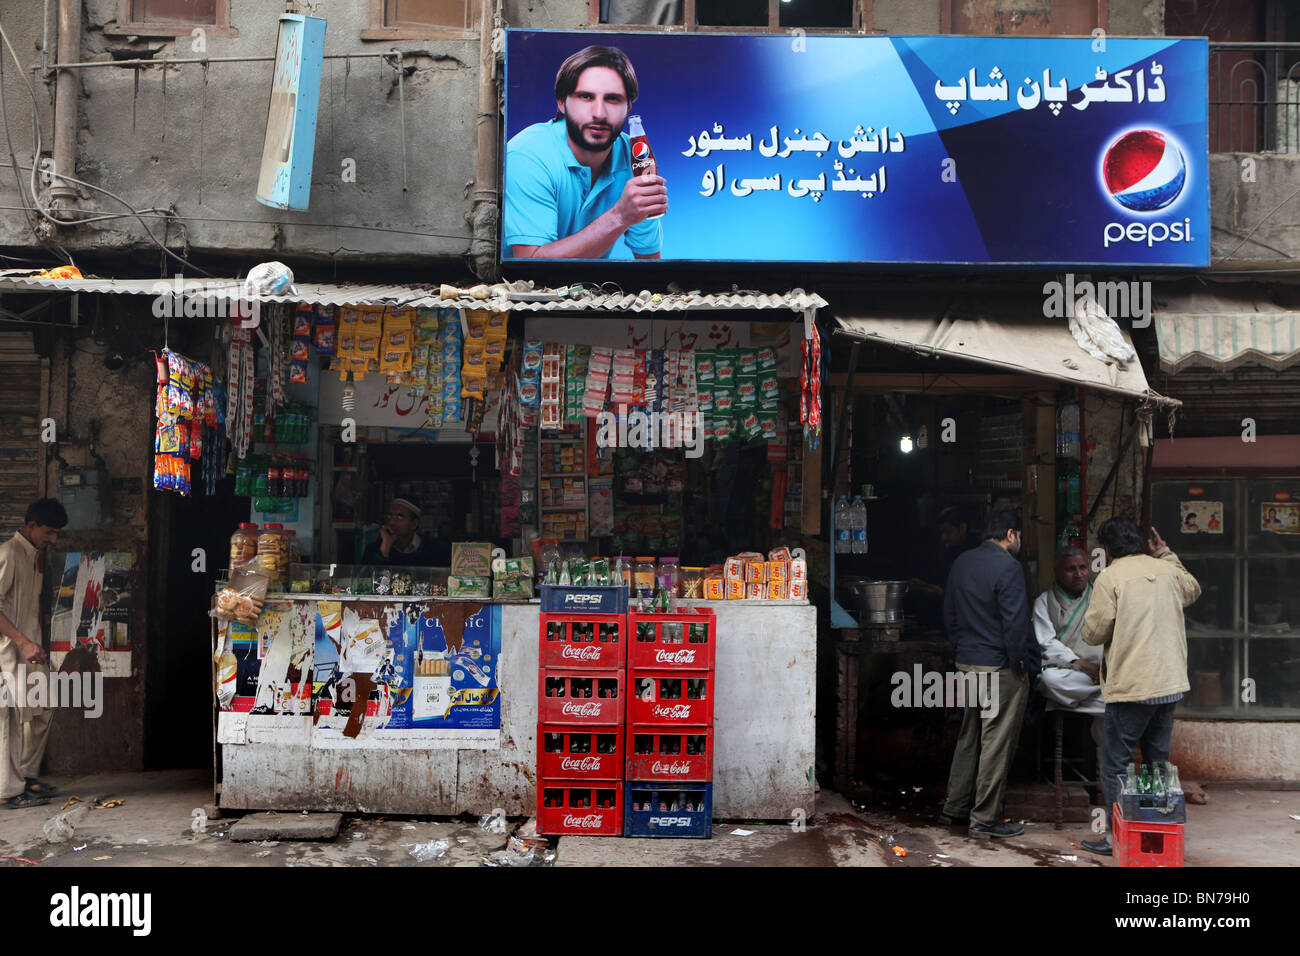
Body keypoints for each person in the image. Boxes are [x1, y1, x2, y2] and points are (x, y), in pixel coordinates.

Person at [1079, 518, 1200, 856]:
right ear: (1143, 542)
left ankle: (1118, 837)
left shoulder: (1110, 578)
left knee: (1115, 764)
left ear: (1106, 548)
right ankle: (1152, 837)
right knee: (1155, 762)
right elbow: (1193, 590)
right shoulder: (1167, 571)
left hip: (1132, 686)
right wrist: (1166, 554)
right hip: (1170, 683)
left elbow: (1093, 633)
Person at [504, 45, 667, 260]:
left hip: (594, 290)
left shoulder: (635, 157)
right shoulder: (528, 154)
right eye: (586, 97)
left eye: (612, 99)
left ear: (628, 108)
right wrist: (619, 216)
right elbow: (530, 264)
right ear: (562, 102)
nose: (599, 113)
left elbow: (650, 265)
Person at [938, 509, 1041, 839]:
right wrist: (1021, 666)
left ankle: (954, 808)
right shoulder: (1008, 567)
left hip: (967, 662)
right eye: (1019, 537)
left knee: (969, 737)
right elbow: (1015, 625)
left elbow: (950, 615)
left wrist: (962, 648)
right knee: (996, 742)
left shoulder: (962, 562)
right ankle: (984, 818)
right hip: (998, 667)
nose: (1019, 543)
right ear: (1010, 534)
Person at [0, 498, 68, 809]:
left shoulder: (34, 555)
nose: (53, 540)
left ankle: (25, 776)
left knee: (43, 707)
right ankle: (8, 791)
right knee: (9, 719)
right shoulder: (9, 554)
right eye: (49, 532)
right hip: (9, 651)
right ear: (31, 526)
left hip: (30, 649)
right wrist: (23, 642)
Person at [1032, 546, 1103, 715]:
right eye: (1071, 569)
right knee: (1049, 680)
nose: (1078, 574)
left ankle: (1071, 701)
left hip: (1101, 673)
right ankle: (1102, 702)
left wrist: (1104, 668)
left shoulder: (1101, 597)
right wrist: (1081, 664)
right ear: (1056, 571)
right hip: (1071, 671)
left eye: (1083, 568)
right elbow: (1046, 643)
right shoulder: (1043, 602)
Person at [360, 498, 441, 566]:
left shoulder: (433, 550)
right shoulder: (373, 549)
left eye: (399, 516)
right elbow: (368, 579)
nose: (391, 522)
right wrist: (386, 546)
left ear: (414, 524)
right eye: (389, 515)